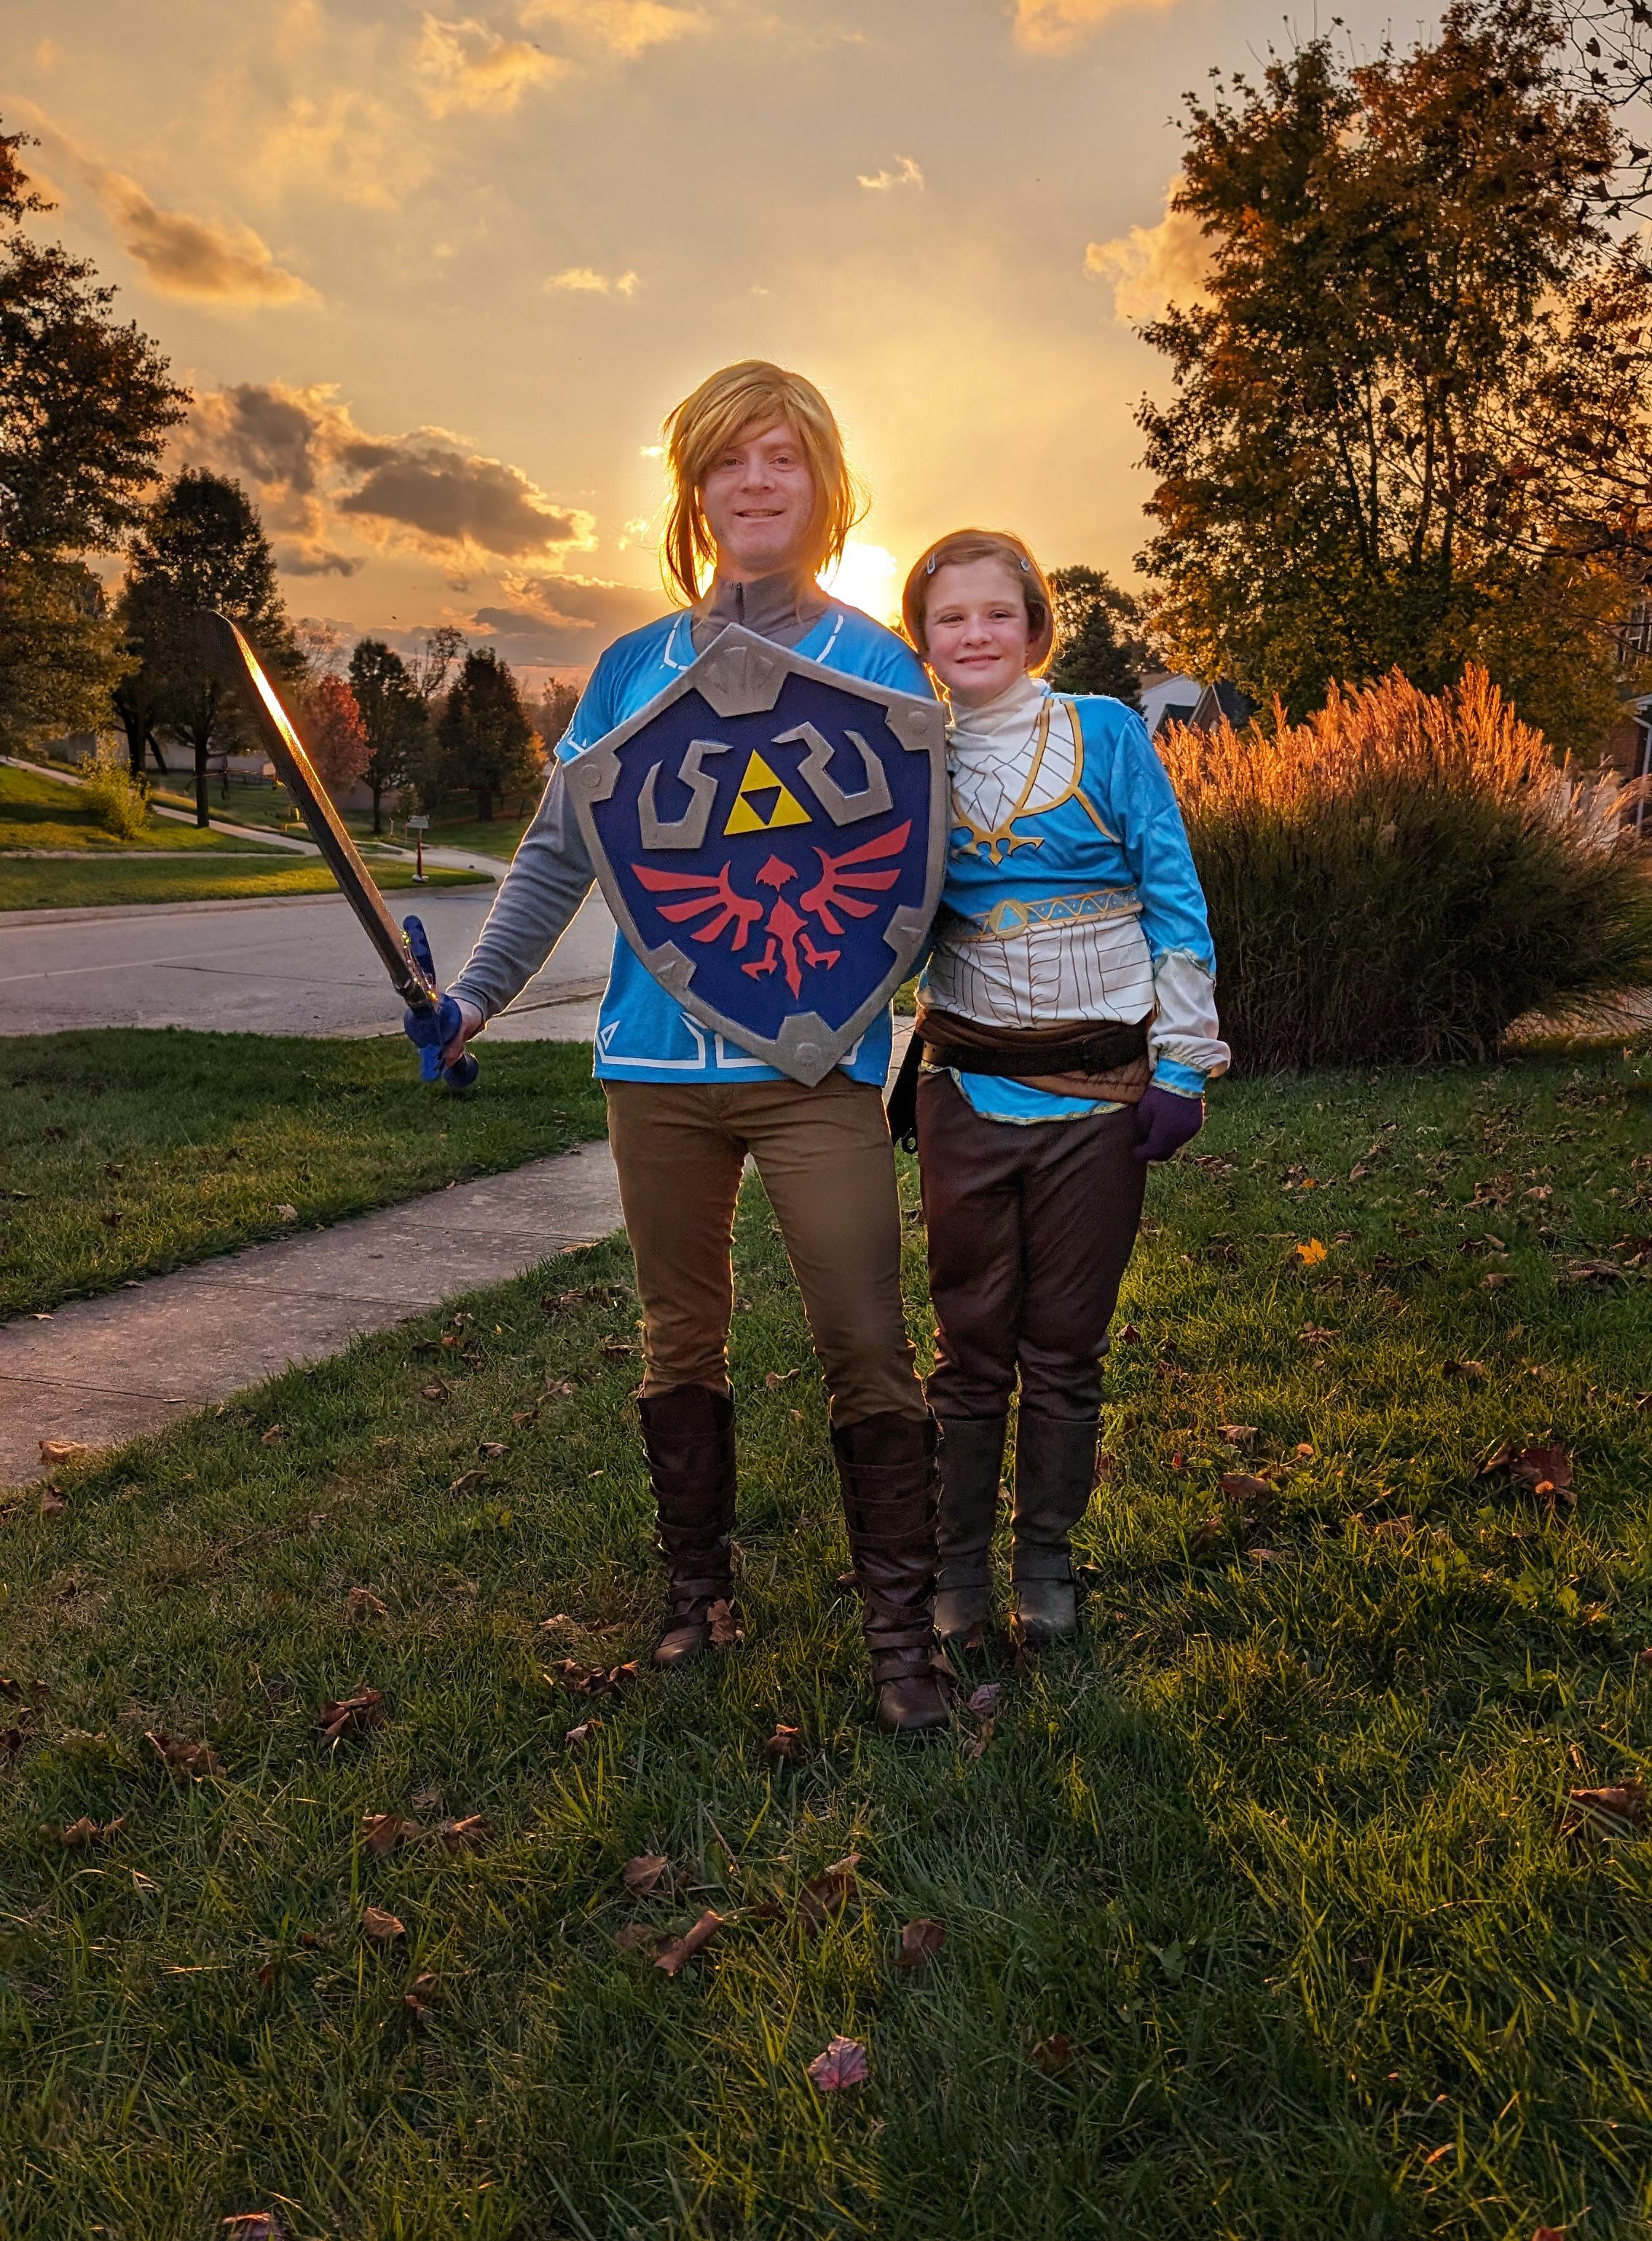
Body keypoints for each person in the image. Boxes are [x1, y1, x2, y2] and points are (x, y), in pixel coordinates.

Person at [428, 363, 953, 1734]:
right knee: (680, 1336)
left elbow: (931, 873)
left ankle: (901, 1637)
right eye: (734, 461)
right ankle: (696, 1590)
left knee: (864, 1334)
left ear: (825, 485)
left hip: (817, 1066)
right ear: (698, 492)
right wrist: (474, 997)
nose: (760, 482)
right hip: (654, 1070)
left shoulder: (879, 669)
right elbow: (558, 857)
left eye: (785, 458)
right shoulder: (632, 670)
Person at [893, 528, 1228, 1649]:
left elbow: (1172, 892)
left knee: (1065, 1345)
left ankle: (1046, 1560)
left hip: (1100, 1096)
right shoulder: (908, 755)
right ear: (923, 639)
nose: (975, 634)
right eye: (951, 618)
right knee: (970, 1341)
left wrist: (1182, 1064)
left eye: (997, 613)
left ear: (1036, 625)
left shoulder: (1107, 731)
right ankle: (956, 1569)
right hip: (968, 1094)